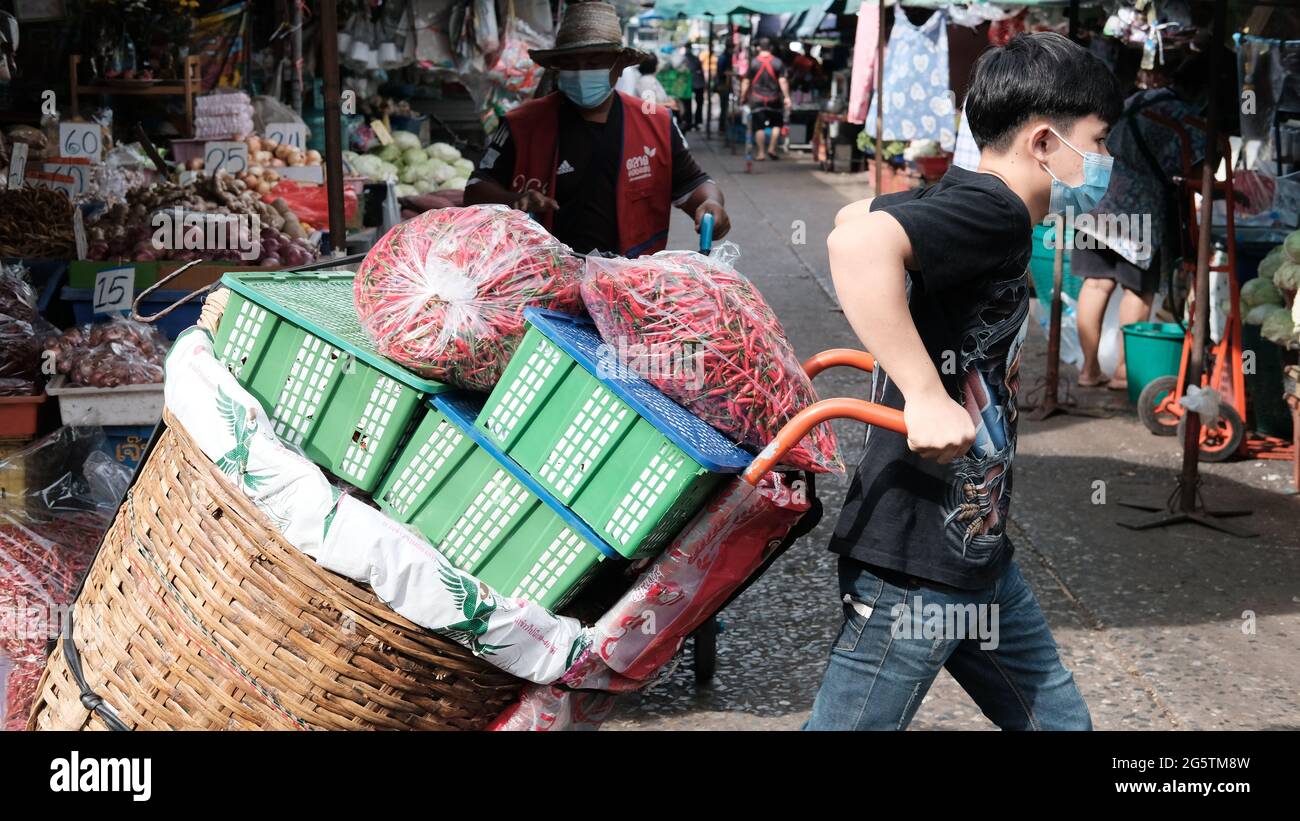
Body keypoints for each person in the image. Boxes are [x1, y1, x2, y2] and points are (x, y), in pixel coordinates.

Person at [809, 32, 1122, 731]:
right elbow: (853, 242)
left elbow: (855, 213)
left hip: (974, 549)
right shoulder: (998, 213)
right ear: (1045, 142)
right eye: (1097, 142)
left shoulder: (965, 194)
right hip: (916, 562)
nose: (1104, 162)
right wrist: (922, 391)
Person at [463, 2, 729, 257]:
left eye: (593, 63)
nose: (580, 73)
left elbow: (694, 183)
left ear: (619, 64)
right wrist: (515, 198)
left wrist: (712, 204)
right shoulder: (521, 123)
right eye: (571, 64)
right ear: (558, 68)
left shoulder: (656, 122)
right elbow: (476, 188)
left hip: (630, 281)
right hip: (542, 277)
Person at [1073, 51, 1211, 390]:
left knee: (1095, 284)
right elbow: (1197, 176)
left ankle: (1088, 370)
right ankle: (1123, 372)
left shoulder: (1139, 99)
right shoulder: (1186, 118)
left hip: (1094, 194)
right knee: (1138, 288)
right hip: (1138, 207)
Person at [740, 37, 791, 161]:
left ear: (758, 48)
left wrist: (743, 96)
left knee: (759, 127)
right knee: (776, 125)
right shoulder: (778, 62)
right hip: (774, 99)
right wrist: (787, 97)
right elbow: (783, 81)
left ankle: (761, 153)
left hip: (757, 99)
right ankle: (772, 148)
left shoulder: (753, 62)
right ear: (771, 48)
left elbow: (746, 81)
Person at [684, 46, 706, 131]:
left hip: (693, 84)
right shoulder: (691, 59)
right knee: (691, 104)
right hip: (693, 84)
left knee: (692, 104)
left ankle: (692, 122)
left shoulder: (688, 59)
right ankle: (693, 122)